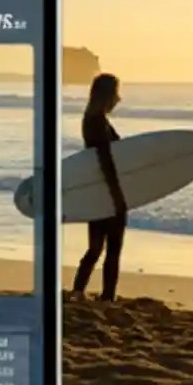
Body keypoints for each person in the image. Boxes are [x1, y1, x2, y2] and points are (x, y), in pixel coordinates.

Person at [71, 73, 128, 301]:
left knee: (96, 247)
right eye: (116, 93)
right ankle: (107, 296)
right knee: (111, 248)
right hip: (106, 191)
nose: (119, 98)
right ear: (107, 95)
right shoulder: (97, 123)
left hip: (97, 191)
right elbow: (105, 160)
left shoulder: (92, 119)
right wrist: (117, 196)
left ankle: (78, 290)